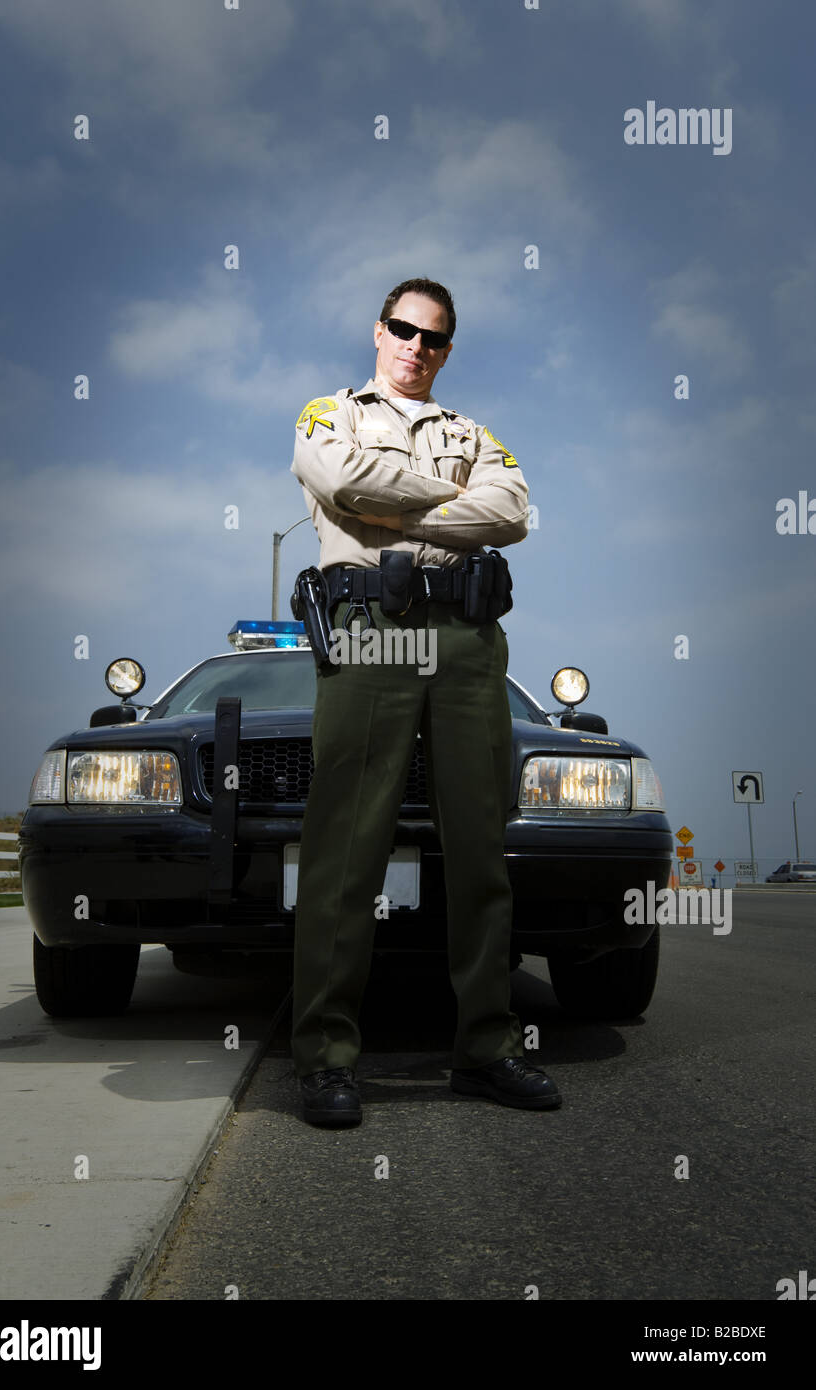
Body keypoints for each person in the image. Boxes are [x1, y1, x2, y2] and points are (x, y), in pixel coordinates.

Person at [290, 277, 561, 1126]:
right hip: (373, 627)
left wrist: (396, 499)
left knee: (481, 847)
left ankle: (485, 1046)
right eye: (403, 330)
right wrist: (449, 503)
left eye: (434, 338)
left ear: (448, 349)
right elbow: (338, 480)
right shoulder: (329, 413)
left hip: (470, 638)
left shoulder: (473, 433)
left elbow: (513, 510)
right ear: (378, 332)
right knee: (346, 849)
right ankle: (329, 1058)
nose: (416, 348)